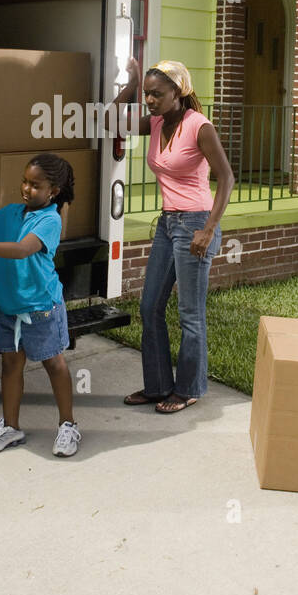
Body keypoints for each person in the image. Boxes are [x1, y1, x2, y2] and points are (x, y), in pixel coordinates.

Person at [112, 58, 234, 413]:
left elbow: (226, 178)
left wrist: (208, 230)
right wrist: (132, 84)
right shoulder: (155, 123)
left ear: (178, 92)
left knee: (189, 314)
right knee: (149, 307)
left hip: (195, 224)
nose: (150, 100)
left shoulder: (200, 127)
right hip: (168, 224)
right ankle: (158, 386)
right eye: (147, 94)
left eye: (156, 94)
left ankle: (188, 389)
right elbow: (111, 121)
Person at [0, 153, 80, 456]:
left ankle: (68, 425)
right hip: (9, 307)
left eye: (35, 185)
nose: (26, 188)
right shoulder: (10, 212)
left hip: (41, 307)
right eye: (24, 181)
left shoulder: (50, 219)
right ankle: (11, 426)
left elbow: (22, 250)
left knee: (54, 363)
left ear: (53, 191)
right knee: (10, 364)